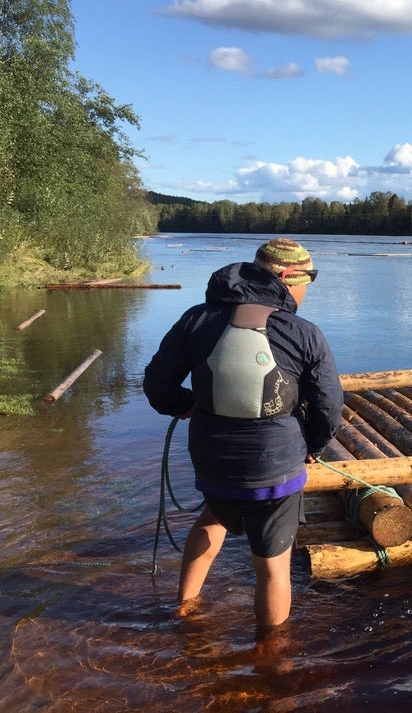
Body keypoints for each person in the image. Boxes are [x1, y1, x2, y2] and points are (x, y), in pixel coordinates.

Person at [143, 238, 343, 629]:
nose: (306, 291)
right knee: (272, 566)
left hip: (212, 456)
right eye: (308, 279)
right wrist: (313, 447)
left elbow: (156, 385)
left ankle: (184, 609)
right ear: (287, 278)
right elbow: (328, 406)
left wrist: (185, 404)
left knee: (213, 517)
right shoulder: (303, 332)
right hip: (274, 463)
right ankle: (270, 658)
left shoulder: (195, 319)